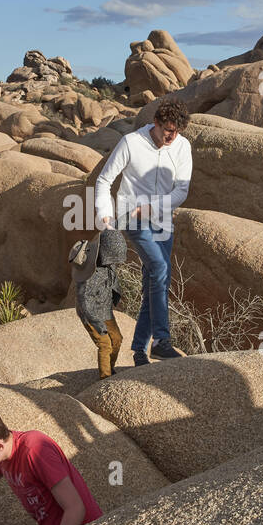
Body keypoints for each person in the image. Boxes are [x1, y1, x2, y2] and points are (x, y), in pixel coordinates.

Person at [93, 98, 193, 366]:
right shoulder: (131, 143)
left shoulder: (182, 146)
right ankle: (161, 341)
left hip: (163, 221)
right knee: (159, 268)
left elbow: (181, 190)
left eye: (176, 132)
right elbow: (104, 180)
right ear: (156, 123)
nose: (171, 137)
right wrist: (105, 214)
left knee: (155, 281)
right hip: (132, 217)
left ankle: (139, 350)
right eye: (167, 130)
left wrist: (152, 207)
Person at [70, 227, 127, 379]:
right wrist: (97, 325)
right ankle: (105, 377)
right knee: (104, 343)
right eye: (114, 258)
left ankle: (110, 368)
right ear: (106, 253)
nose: (116, 262)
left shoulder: (107, 264)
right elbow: (85, 302)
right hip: (90, 313)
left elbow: (112, 279)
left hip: (104, 309)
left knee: (117, 339)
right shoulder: (90, 274)